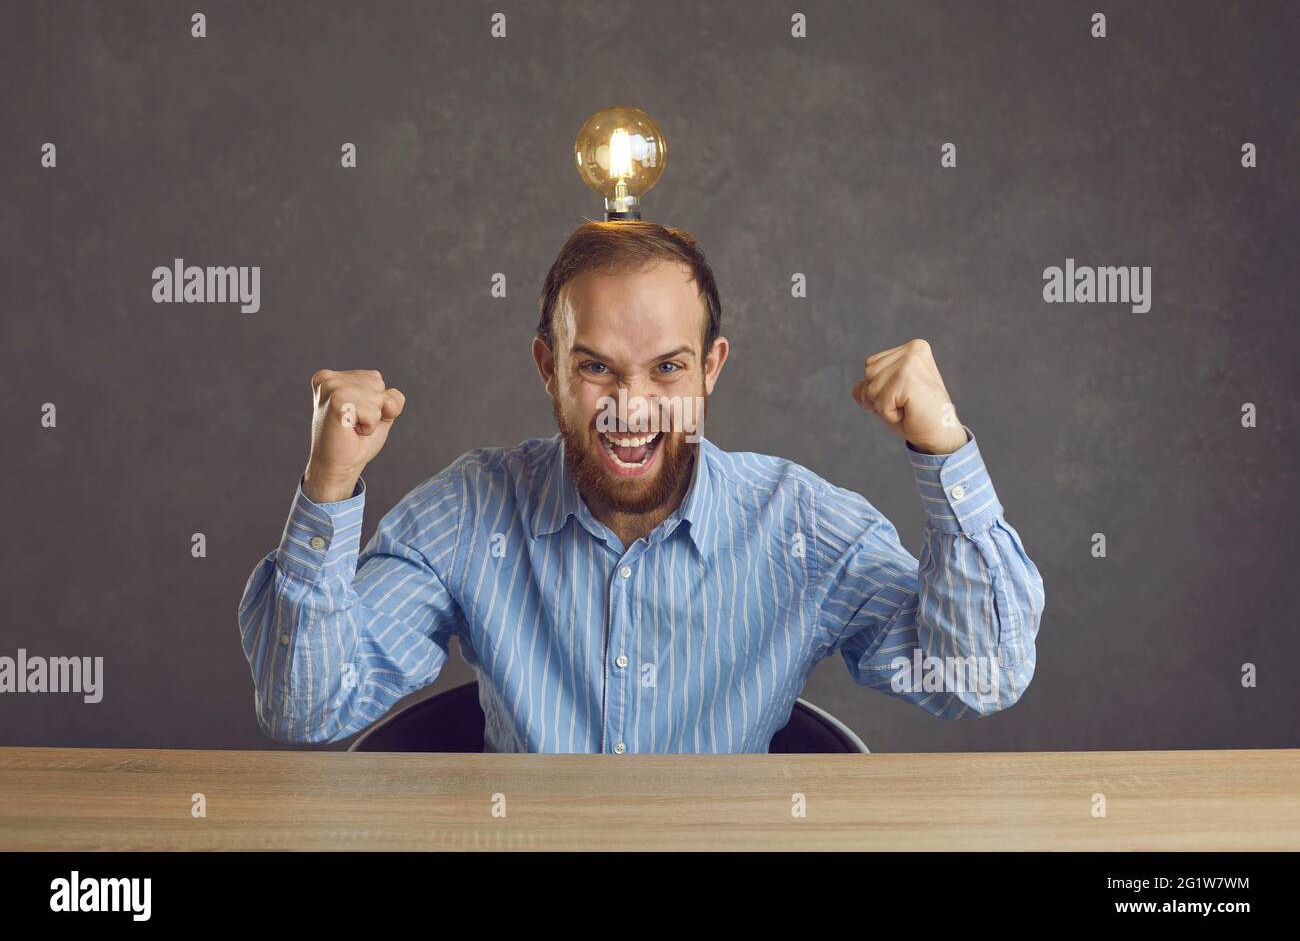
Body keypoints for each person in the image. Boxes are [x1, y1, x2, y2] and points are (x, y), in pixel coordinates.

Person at [238, 221, 1045, 752]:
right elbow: (306, 704)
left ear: (712, 368)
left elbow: (980, 677)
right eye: (595, 367)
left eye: (668, 368)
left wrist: (944, 453)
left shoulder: (798, 526)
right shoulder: (469, 511)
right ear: (549, 370)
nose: (631, 407)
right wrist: (330, 482)